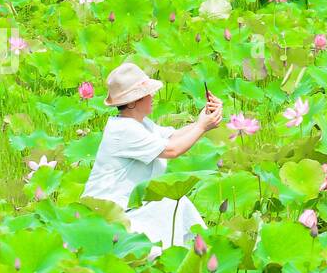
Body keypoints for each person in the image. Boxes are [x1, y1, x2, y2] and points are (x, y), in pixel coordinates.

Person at [83, 61, 223, 250]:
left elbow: (173, 137)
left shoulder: (139, 124)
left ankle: (201, 252)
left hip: (129, 209)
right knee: (154, 241)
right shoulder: (124, 130)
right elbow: (172, 150)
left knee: (178, 204)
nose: (153, 96)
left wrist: (205, 118)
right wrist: (202, 126)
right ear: (133, 101)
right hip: (107, 217)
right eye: (147, 93)